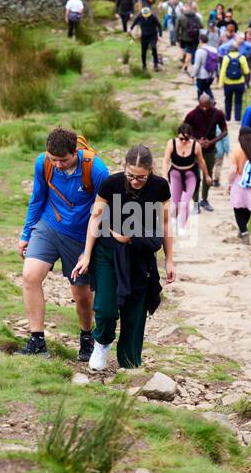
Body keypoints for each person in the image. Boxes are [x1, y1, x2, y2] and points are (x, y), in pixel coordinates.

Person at [73, 145, 176, 371]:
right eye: (131, 175)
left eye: (141, 177)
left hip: (140, 256)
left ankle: (129, 363)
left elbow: (166, 224)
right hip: (107, 253)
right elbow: (95, 219)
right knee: (106, 308)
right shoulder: (111, 184)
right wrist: (87, 255)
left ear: (150, 171)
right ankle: (102, 342)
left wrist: (169, 260)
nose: (135, 181)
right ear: (124, 169)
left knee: (135, 312)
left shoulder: (160, 187)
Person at [18, 126, 111, 358]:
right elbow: (37, 198)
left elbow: (106, 212)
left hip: (81, 236)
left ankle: (87, 337)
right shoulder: (44, 163)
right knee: (30, 275)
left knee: (81, 295)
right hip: (49, 225)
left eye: (63, 160)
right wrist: (26, 234)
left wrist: (91, 250)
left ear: (75, 152)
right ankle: (37, 341)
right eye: (53, 159)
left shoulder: (96, 170)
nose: (57, 165)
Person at [161, 123, 209, 234]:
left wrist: (206, 175)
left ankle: (182, 226)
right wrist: (164, 175)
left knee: (185, 201)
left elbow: (201, 161)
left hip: (190, 174)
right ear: (178, 136)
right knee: (175, 201)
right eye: (181, 138)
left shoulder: (195, 145)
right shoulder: (172, 143)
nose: (183, 141)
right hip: (175, 173)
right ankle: (173, 219)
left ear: (191, 137)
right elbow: (165, 160)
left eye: (186, 139)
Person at [184, 92, 226, 206]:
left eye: (207, 105)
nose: (204, 108)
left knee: (208, 175)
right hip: (194, 150)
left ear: (211, 103)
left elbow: (224, 131)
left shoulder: (217, 114)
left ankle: (205, 199)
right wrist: (197, 141)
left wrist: (212, 142)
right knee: (194, 176)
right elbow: (184, 132)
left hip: (210, 150)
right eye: (202, 105)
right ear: (198, 103)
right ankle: (196, 202)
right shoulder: (192, 115)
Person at [219, 45, 250, 122]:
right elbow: (246, 71)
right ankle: (237, 118)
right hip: (240, 83)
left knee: (228, 100)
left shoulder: (226, 58)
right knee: (238, 101)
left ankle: (228, 118)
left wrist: (220, 83)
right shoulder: (242, 57)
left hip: (228, 83)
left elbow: (222, 71)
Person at [131, 5, 162, 71]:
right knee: (143, 51)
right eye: (145, 15)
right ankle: (144, 65)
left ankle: (155, 64)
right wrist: (131, 28)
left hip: (153, 35)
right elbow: (135, 22)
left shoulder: (153, 17)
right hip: (144, 36)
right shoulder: (140, 16)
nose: (146, 16)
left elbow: (159, 25)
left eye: (147, 15)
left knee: (153, 47)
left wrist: (160, 34)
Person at [193, 31, 220, 101]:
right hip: (211, 74)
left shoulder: (199, 51)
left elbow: (197, 65)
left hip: (202, 75)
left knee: (200, 90)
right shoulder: (214, 49)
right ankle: (211, 100)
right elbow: (217, 63)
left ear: (200, 40)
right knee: (207, 88)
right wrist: (217, 74)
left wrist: (193, 75)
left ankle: (202, 104)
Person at [177, 4, 203, 70]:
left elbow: (176, 28)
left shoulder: (181, 16)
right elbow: (201, 26)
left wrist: (177, 37)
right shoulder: (196, 17)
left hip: (183, 37)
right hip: (192, 37)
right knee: (189, 52)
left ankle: (182, 60)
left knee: (181, 48)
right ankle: (185, 65)